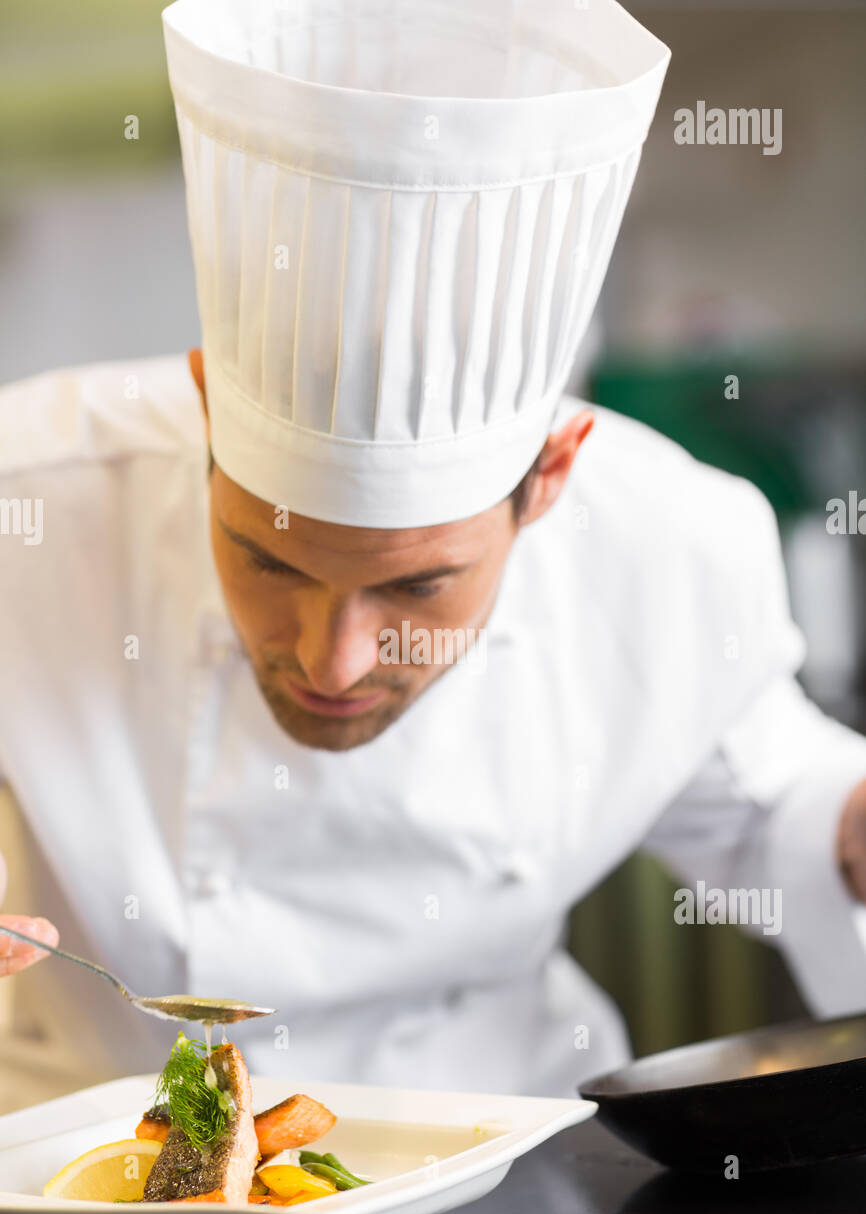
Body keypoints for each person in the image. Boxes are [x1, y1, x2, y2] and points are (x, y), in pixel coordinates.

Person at [2, 0, 866, 1097]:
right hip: (83, 1171)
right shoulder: (28, 494)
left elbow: (773, 803)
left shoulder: (668, 542)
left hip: (508, 1155)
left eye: (416, 584)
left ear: (547, 480)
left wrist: (848, 823)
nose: (332, 660)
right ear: (208, 410)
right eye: (270, 562)